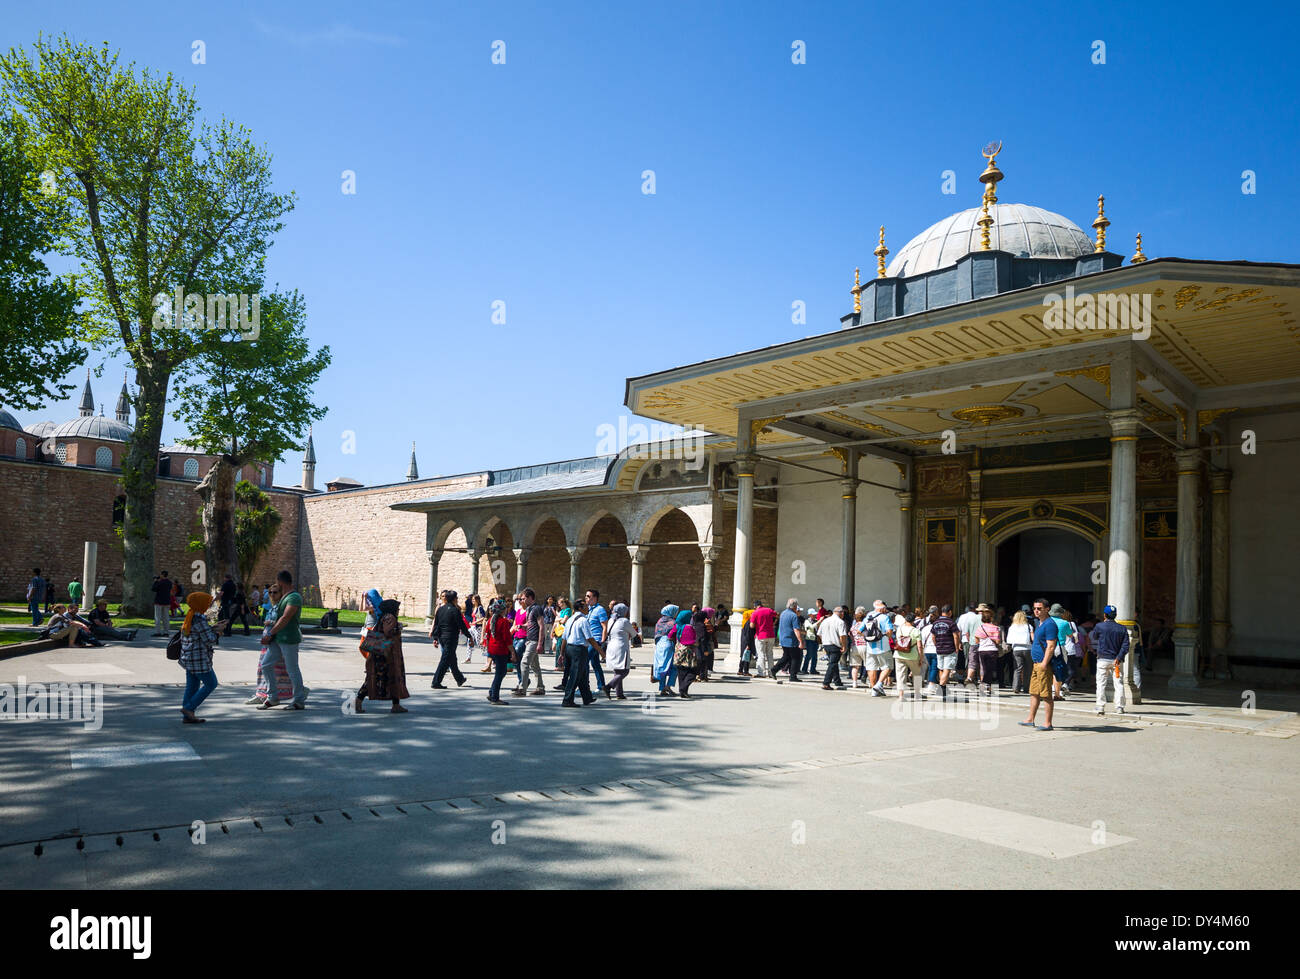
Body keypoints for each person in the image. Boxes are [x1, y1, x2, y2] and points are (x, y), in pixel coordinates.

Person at [257, 571, 308, 710]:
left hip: (289, 639)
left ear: (280, 581)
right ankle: (273, 697)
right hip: (278, 639)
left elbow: (285, 617)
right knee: (266, 665)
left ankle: (298, 700)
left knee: (292, 669)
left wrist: (270, 633)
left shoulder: (294, 597)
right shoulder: (285, 596)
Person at [179, 591, 224, 723]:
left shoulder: (191, 616)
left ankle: (187, 716)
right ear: (201, 604)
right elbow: (209, 639)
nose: (209, 604)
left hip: (189, 657)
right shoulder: (199, 619)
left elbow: (199, 634)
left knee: (192, 686)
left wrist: (213, 627)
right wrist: (219, 633)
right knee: (211, 683)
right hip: (198, 658)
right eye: (207, 602)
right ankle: (189, 708)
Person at [355, 605, 411, 713]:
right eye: (397, 608)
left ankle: (396, 705)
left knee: (392, 678)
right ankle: (358, 702)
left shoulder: (385, 616)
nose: (398, 610)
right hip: (384, 656)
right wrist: (398, 628)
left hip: (385, 654)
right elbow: (388, 632)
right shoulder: (390, 617)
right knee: (376, 678)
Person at [1020, 598, 1058, 731]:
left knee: (1046, 693)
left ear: (1047, 609)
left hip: (1043, 664)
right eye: (1035, 608)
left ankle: (1048, 723)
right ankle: (1030, 719)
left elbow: (1051, 646)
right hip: (1037, 663)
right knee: (1034, 692)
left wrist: (1044, 663)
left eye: (1039, 608)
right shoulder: (1040, 623)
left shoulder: (1049, 624)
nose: (1036, 611)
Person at [247, 601, 293, 706]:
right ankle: (261, 694)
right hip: (268, 641)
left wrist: (271, 624)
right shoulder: (271, 608)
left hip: (276, 641)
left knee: (279, 670)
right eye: (270, 592)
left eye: (275, 592)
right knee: (263, 668)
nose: (272, 594)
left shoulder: (283, 607)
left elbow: (286, 621)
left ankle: (298, 691)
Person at [561, 600, 601, 707]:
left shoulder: (570, 619)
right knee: (575, 675)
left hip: (569, 648)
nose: (588, 608)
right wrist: (601, 651)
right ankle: (567, 700)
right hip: (579, 650)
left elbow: (564, 638)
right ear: (580, 608)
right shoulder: (583, 620)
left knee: (582, 674)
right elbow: (590, 638)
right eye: (585, 606)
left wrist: (562, 653)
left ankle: (587, 697)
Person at [430, 590, 473, 688]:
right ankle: (436, 682)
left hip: (442, 637)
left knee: (452, 658)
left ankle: (460, 679)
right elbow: (461, 624)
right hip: (451, 638)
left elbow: (437, 624)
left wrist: (435, 638)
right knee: (445, 659)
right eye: (456, 598)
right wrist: (469, 636)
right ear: (454, 599)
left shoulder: (440, 609)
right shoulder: (455, 610)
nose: (457, 600)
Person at [1092, 605, 1129, 716]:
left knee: (1101, 683)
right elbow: (1126, 645)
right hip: (1116, 661)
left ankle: (1100, 706)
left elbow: (1095, 636)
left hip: (1102, 659)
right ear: (1115, 615)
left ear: (1105, 615)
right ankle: (1119, 707)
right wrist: (1119, 657)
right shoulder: (1122, 628)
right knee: (1119, 683)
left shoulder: (1100, 626)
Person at [513, 588, 547, 696]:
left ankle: (522, 689)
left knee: (524, 662)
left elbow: (542, 626)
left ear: (530, 597)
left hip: (534, 640)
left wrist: (540, 643)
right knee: (535, 665)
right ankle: (540, 688)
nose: (521, 601)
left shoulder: (537, 608)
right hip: (529, 639)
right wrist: (522, 626)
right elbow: (530, 623)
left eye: (523, 598)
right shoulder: (529, 609)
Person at [480, 599, 513, 705]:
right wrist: (512, 652)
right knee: (500, 673)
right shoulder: (503, 622)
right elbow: (507, 639)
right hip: (501, 650)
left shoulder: (490, 620)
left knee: (500, 672)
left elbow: (488, 636)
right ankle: (495, 697)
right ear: (502, 610)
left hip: (493, 649)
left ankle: (492, 692)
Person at [892, 606, 924, 701]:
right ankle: (917, 695)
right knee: (917, 675)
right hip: (913, 656)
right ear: (914, 621)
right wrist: (921, 657)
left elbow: (897, 640)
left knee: (900, 675)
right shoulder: (916, 631)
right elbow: (919, 646)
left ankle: (901, 696)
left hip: (899, 654)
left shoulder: (899, 629)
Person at [604, 602, 635, 699]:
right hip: (621, 648)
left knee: (617, 671)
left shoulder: (611, 620)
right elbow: (634, 633)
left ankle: (619, 693)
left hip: (611, 646)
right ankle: (608, 686)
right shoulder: (624, 621)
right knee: (625, 671)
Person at [863, 599, 894, 696]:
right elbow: (889, 632)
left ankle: (874, 691)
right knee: (888, 667)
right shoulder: (885, 618)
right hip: (883, 647)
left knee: (872, 668)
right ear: (883, 609)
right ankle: (879, 684)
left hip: (870, 647)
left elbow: (860, 631)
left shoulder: (868, 616)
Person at [971, 603, 1002, 697]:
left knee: (985, 669)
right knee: (990, 670)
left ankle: (985, 686)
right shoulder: (995, 628)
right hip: (992, 650)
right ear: (991, 618)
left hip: (982, 650)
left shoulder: (980, 628)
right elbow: (997, 641)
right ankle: (984, 686)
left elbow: (976, 640)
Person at [931, 605, 959, 700]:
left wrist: (937, 645)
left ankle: (943, 689)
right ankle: (941, 686)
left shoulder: (936, 623)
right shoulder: (951, 622)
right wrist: (956, 647)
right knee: (947, 669)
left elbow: (933, 636)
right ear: (950, 612)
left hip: (939, 649)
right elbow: (956, 636)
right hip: (949, 649)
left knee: (941, 668)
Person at [772, 599, 804, 682]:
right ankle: (793, 676)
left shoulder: (783, 613)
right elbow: (796, 629)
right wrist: (800, 641)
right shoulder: (793, 616)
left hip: (783, 639)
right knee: (795, 658)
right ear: (795, 606)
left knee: (786, 656)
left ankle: (774, 669)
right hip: (791, 640)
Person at [817, 605, 848, 690]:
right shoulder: (840, 622)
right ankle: (826, 683)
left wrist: (824, 641)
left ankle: (837, 680)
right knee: (832, 664)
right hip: (835, 645)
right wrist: (844, 646)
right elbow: (843, 636)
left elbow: (819, 634)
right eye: (843, 613)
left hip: (826, 644)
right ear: (840, 613)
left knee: (833, 663)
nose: (843, 615)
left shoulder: (825, 621)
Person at [653, 604, 679, 696]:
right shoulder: (673, 622)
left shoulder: (659, 621)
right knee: (674, 667)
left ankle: (662, 688)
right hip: (668, 644)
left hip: (659, 645)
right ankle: (668, 686)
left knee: (662, 667)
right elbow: (675, 634)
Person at [584, 589, 608, 690]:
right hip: (588, 640)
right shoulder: (588, 609)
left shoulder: (600, 609)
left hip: (596, 640)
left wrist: (602, 641)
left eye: (588, 596)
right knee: (595, 664)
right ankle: (602, 686)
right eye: (586, 596)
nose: (586, 598)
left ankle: (584, 687)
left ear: (595, 598)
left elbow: (605, 626)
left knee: (584, 662)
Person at [1006, 610, 1034, 694]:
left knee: (1017, 669)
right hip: (1028, 649)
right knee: (1028, 669)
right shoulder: (1029, 626)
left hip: (1016, 649)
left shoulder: (1012, 627)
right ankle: (1027, 688)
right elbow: (1033, 638)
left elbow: (1008, 639)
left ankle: (1016, 687)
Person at [750, 600, 776, 678]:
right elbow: (777, 615)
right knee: (770, 654)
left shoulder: (755, 613)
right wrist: (772, 623)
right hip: (771, 635)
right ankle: (771, 673)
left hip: (760, 635)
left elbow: (751, 626)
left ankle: (762, 673)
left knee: (761, 655)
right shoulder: (769, 610)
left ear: (755, 606)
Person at [957, 603, 980, 685]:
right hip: (975, 640)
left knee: (968, 659)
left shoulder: (962, 616)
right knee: (973, 660)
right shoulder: (977, 617)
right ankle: (971, 678)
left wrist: (959, 642)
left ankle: (969, 677)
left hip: (964, 640)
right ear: (975, 609)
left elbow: (959, 630)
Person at [847, 606, 869, 687]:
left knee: (855, 666)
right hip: (864, 646)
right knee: (868, 665)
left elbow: (850, 635)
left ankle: (854, 683)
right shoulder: (865, 625)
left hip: (854, 646)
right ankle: (868, 681)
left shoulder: (854, 626)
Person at [152, 571, 173, 636]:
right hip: (167, 601)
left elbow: (153, 589)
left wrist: (155, 581)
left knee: (158, 617)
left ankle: (158, 631)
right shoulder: (170, 583)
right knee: (166, 617)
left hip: (159, 601)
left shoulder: (159, 582)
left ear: (162, 575)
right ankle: (166, 632)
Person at [736, 608, 756, 677]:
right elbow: (748, 634)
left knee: (743, 656)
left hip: (744, 641)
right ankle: (746, 671)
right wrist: (748, 644)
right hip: (747, 642)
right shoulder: (749, 623)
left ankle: (740, 670)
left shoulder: (746, 622)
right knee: (747, 656)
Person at [800, 611, 820, 675]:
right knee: (809, 655)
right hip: (809, 639)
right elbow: (811, 627)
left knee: (815, 656)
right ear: (810, 615)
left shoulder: (816, 621)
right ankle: (804, 669)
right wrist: (819, 621)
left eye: (815, 614)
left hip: (815, 640)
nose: (815, 615)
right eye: (813, 614)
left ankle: (813, 669)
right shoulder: (807, 621)